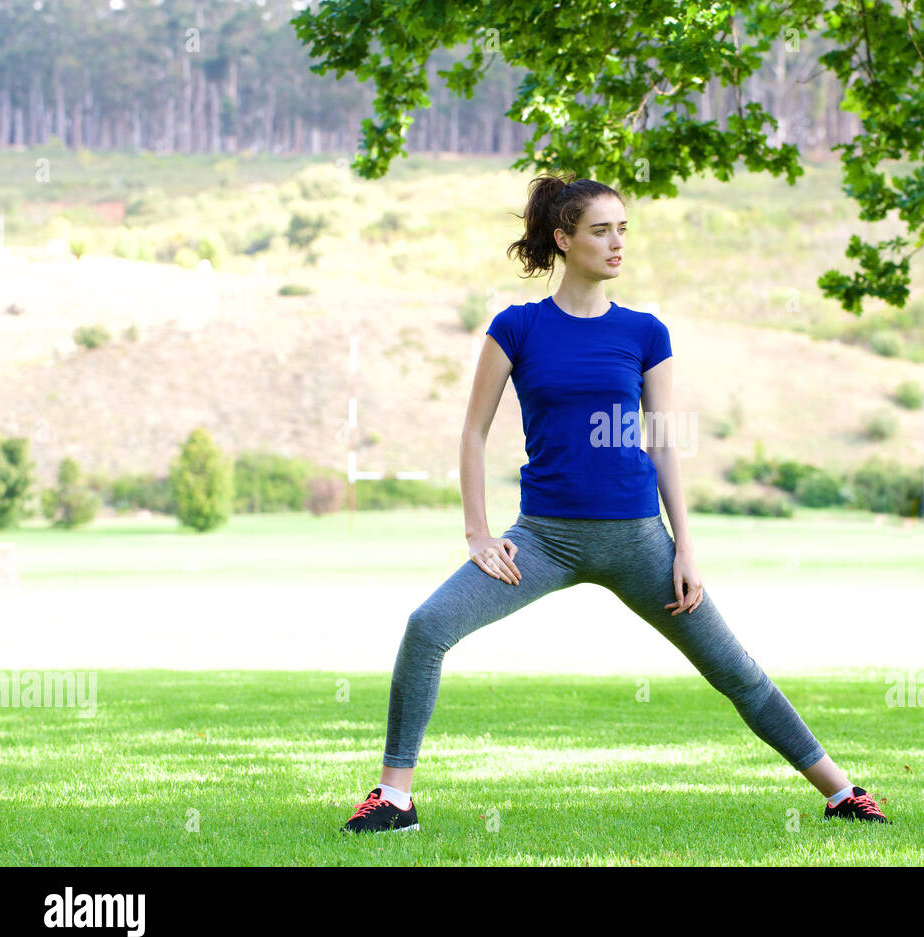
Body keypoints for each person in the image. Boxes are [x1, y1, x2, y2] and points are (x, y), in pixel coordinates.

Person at [342, 173, 887, 834]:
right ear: (563, 238)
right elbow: (473, 430)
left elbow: (663, 443)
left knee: (734, 669)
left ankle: (840, 792)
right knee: (427, 626)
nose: (616, 242)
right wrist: (478, 533)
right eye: (601, 230)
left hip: (638, 541)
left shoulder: (645, 332)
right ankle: (395, 800)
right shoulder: (515, 327)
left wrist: (685, 546)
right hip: (541, 540)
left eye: (622, 228)